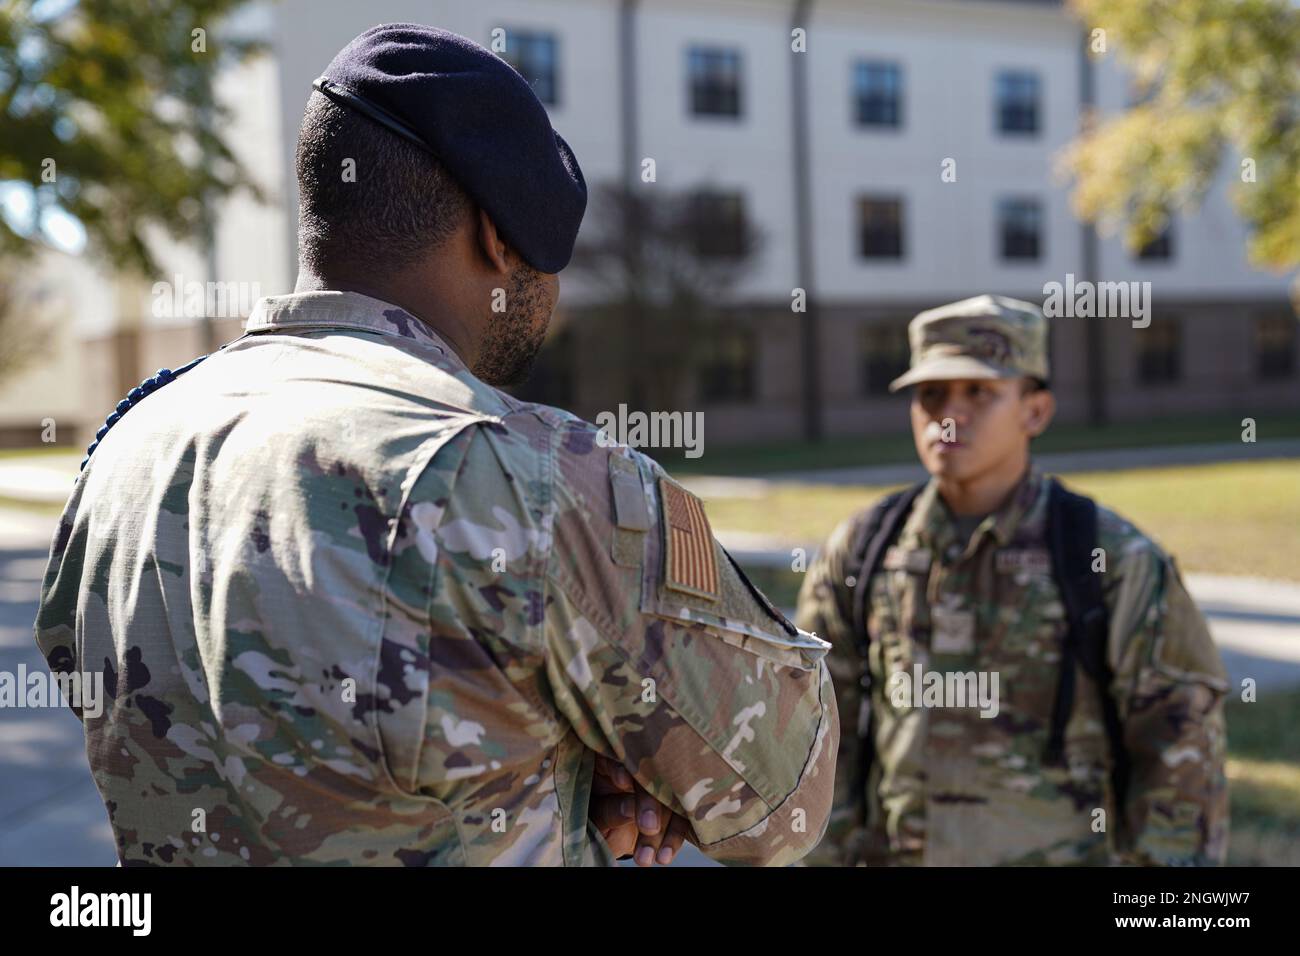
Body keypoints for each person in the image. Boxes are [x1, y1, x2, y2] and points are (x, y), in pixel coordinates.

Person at [34, 23, 836, 867]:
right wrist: (606, 753)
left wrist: (550, 753)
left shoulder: (131, 446)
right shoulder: (524, 475)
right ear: (500, 237)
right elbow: (786, 797)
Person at [795, 295, 1228, 866]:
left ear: (1035, 411)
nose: (949, 414)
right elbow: (817, 738)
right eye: (931, 395)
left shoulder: (1108, 557)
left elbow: (1179, 758)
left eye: (979, 392)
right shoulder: (866, 548)